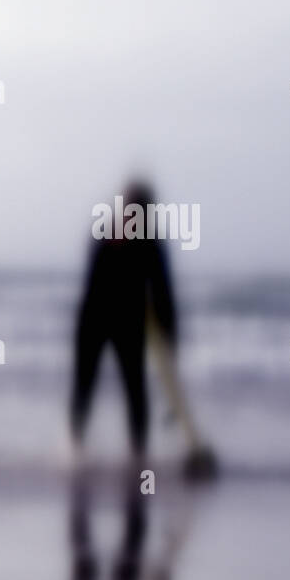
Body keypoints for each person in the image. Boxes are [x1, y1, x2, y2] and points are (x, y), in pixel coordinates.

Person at [70, 180, 217, 478]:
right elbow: (158, 293)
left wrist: (170, 340)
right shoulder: (107, 233)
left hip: (126, 323)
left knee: (133, 393)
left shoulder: (149, 243)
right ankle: (77, 453)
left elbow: (164, 294)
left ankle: (135, 459)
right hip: (96, 320)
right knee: (87, 387)